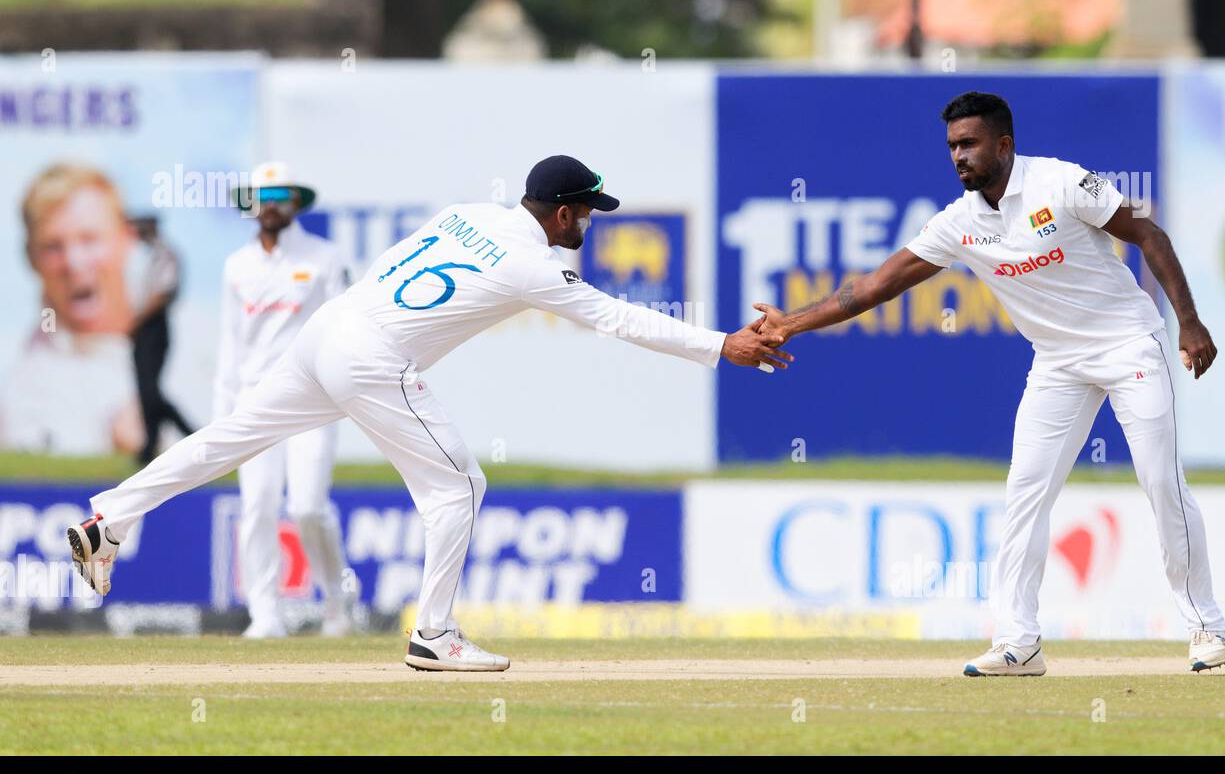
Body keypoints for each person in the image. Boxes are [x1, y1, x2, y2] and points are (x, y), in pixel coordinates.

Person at [68, 155, 791, 670]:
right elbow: (618, 319)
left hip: (328, 328)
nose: (589, 228)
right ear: (564, 213)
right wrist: (720, 343)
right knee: (460, 488)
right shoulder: (540, 264)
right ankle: (434, 634)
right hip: (371, 356)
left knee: (228, 438)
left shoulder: (469, 213)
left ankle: (111, 519)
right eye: (588, 215)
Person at [750, 91, 1225, 675]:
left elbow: (1149, 235)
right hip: (1056, 361)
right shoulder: (960, 221)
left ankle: (1205, 625)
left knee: (1161, 482)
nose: (958, 157)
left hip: (1129, 343)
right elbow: (875, 285)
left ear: (1004, 145)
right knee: (1025, 494)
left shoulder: (1063, 183)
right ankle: (1018, 641)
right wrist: (792, 325)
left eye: (969, 144)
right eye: (952, 146)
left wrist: (1189, 321)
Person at [216, 162, 354, 639]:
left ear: (296, 201)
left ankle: (336, 601)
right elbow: (230, 347)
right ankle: (265, 613)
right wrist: (221, 419)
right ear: (249, 204)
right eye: (262, 194)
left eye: (280, 194)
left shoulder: (325, 257)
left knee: (308, 508)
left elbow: (345, 330)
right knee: (257, 505)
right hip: (254, 400)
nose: (271, 204)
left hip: (313, 396)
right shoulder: (236, 266)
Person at [1, 164, 142, 454]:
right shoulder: (17, 382)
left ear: (127, 239)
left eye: (89, 239)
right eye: (53, 247)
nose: (73, 263)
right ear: (31, 259)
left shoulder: (201, 347)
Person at [127, 216, 195, 464]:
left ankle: (192, 433)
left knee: (151, 391)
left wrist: (136, 321)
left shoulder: (166, 254)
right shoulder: (146, 256)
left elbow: (162, 294)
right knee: (146, 392)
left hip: (154, 327)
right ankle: (149, 446)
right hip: (143, 328)